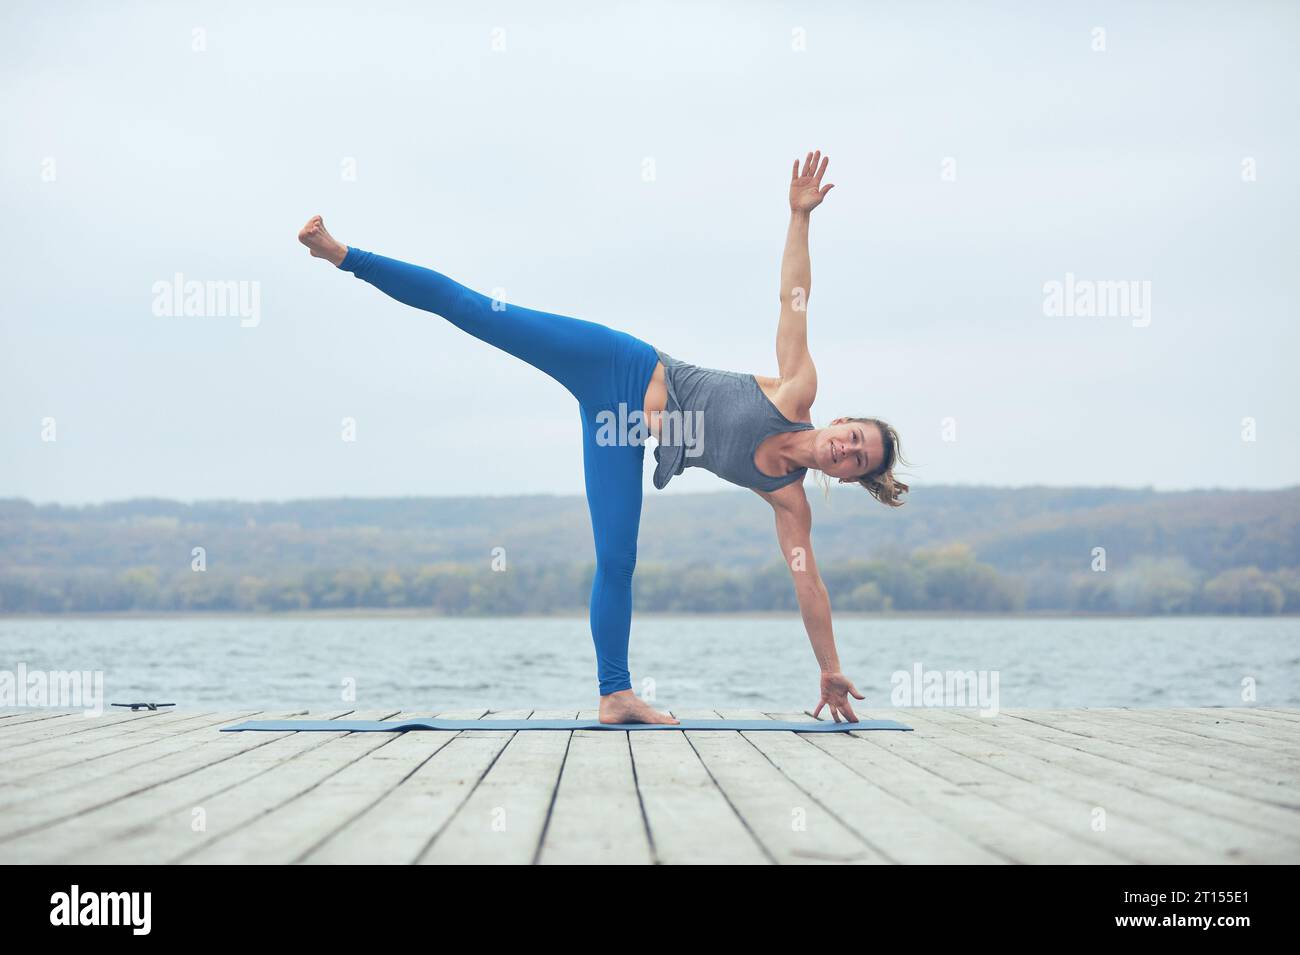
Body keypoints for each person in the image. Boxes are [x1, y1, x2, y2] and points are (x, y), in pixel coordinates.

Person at [298, 150, 908, 724]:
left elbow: (809, 582)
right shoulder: (795, 388)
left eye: (858, 460)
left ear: (849, 478)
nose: (848, 449)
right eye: (854, 435)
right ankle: (341, 253)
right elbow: (793, 299)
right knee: (479, 312)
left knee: (617, 560)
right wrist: (799, 217)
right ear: (840, 420)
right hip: (618, 365)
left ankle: (614, 695)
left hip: (618, 433)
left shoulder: (788, 500)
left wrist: (830, 669)